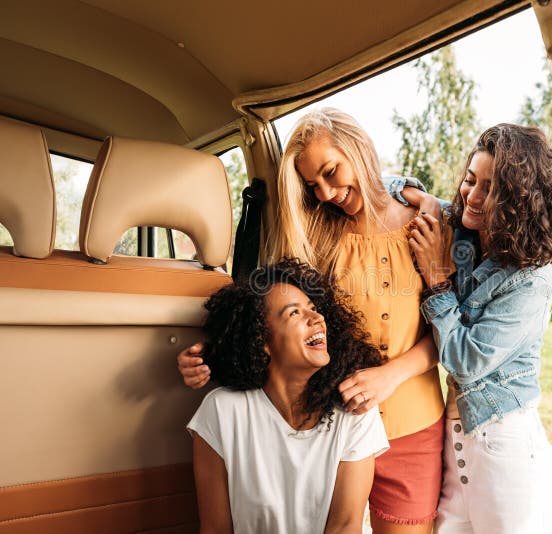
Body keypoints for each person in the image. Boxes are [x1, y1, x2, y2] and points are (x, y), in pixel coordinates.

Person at [180, 108, 445, 532]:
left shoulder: (426, 225)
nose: (324, 192)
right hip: (331, 423)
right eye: (312, 185)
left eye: (330, 172)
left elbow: (446, 331)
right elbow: (275, 324)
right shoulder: (317, 237)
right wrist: (211, 360)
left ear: (357, 149)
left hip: (412, 424)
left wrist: (390, 376)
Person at [408, 124, 552, 533]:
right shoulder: (463, 233)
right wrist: (422, 196)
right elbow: (391, 187)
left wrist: (436, 279)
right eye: (470, 180)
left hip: (503, 444)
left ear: (518, 202)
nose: (473, 196)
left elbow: (466, 361)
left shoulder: (531, 278)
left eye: (492, 188)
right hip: (455, 439)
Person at [187, 258, 389, 533]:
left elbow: (345, 526)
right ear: (262, 340)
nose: (317, 318)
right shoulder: (221, 412)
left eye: (314, 309)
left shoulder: (355, 411)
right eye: (294, 313)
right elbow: (215, 529)